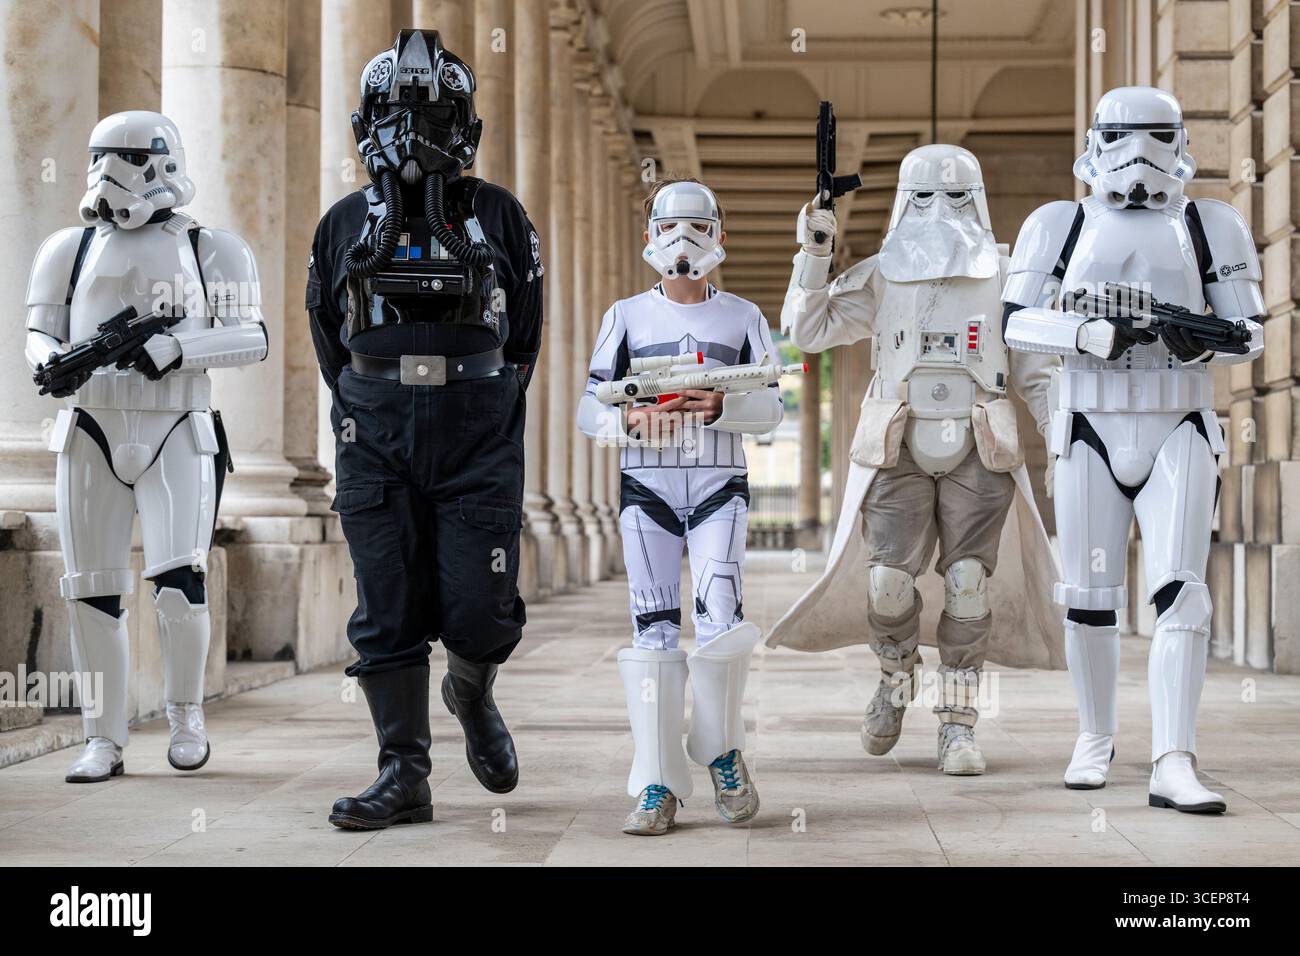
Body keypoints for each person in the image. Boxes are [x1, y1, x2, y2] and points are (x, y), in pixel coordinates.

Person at [1003, 87, 1264, 812]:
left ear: (1178, 140)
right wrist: (1088, 335)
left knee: (1183, 591)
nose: (1140, 156)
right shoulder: (1059, 223)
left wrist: (1199, 344)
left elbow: (1253, 332)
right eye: (1124, 137)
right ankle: (1094, 738)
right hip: (1089, 425)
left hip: (1178, 423)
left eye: (1157, 136)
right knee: (1088, 597)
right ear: (1098, 139)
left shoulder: (1210, 225)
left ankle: (1173, 758)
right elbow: (1016, 322)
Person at [307, 30, 543, 829]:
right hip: (375, 430)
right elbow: (326, 336)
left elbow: (527, 337)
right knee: (386, 606)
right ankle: (403, 771)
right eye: (398, 112)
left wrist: (479, 407)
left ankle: (472, 690)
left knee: (480, 608)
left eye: (435, 113)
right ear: (366, 119)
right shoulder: (343, 222)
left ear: (464, 125)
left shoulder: (500, 216)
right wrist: (371, 408)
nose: (416, 132)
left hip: (476, 429)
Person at [767, 145, 1064, 775]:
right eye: (924, 195)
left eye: (956, 196)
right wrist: (814, 256)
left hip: (981, 439)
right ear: (905, 200)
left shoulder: (1011, 273)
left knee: (967, 583)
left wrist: (1060, 438)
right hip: (897, 437)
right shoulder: (881, 272)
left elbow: (1038, 370)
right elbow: (807, 330)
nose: (940, 209)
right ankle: (896, 677)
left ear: (978, 199)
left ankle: (957, 723)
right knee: (888, 579)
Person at [24, 110, 267, 783]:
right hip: (90, 427)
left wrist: (178, 347)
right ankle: (103, 736)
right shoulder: (65, 250)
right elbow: (38, 331)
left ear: (162, 161)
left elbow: (254, 336)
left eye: (125, 159)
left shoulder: (211, 247)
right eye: (102, 157)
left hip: (177, 427)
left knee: (178, 584)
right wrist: (52, 361)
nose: (111, 175)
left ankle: (185, 714)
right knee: (90, 591)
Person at [577, 178, 781, 835]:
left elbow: (773, 404)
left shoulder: (744, 318)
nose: (683, 241)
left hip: (720, 482)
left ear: (720, 235)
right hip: (649, 486)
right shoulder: (626, 315)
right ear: (649, 236)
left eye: (698, 226)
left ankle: (724, 754)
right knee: (653, 628)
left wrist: (722, 405)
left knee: (721, 619)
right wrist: (633, 421)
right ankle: (657, 781)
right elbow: (590, 406)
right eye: (670, 227)